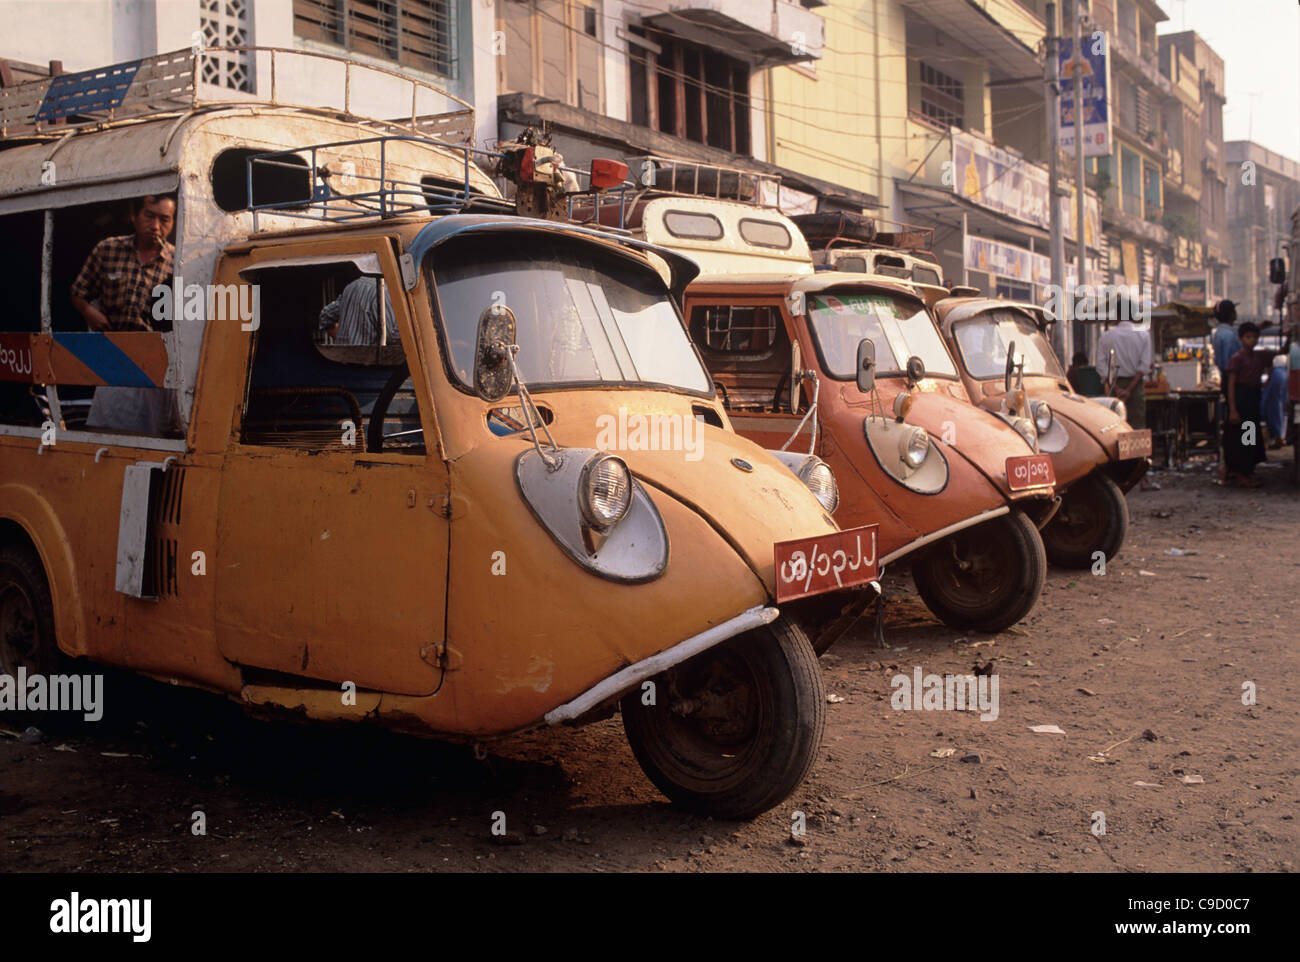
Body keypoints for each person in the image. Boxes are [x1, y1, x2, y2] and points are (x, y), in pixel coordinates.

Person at [69, 194, 180, 435]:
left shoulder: (178, 262)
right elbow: (78, 292)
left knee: (151, 436)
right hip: (113, 355)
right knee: (109, 432)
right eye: (149, 216)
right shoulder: (107, 249)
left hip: (154, 360)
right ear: (134, 215)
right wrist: (90, 312)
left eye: (164, 219)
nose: (156, 226)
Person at [1224, 322, 1271, 487]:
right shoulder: (1237, 358)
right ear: (1241, 339)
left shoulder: (1257, 357)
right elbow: (1231, 384)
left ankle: (1247, 470)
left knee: (1250, 437)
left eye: (1255, 337)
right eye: (1248, 337)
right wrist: (1233, 409)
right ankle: (1241, 473)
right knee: (1242, 438)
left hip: (1252, 400)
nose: (1252, 340)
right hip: (1241, 400)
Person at [1096, 313, 1152, 428]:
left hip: (1114, 386)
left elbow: (1101, 366)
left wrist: (1116, 388)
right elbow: (1145, 366)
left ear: (1116, 316)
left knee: (1114, 426)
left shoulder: (1106, 337)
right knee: (1137, 428)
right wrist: (1129, 390)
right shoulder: (1143, 335)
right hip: (1136, 386)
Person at [1209, 299, 1241, 482]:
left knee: (1235, 426)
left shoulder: (1221, 333)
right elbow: (1231, 369)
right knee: (1244, 424)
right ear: (1231, 315)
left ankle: (1237, 464)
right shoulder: (1228, 336)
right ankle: (1242, 466)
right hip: (1235, 385)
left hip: (1230, 383)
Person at [318, 276, 399, 346]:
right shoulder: (384, 291)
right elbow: (394, 336)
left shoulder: (350, 287)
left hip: (341, 358)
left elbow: (325, 316)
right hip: (369, 360)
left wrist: (342, 343)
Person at [1263, 352, 1288, 448]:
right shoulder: (1282, 373)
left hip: (1274, 402)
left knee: (1275, 411)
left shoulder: (1276, 374)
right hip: (1280, 400)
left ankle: (1278, 437)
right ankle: (1280, 436)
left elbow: (1266, 398)